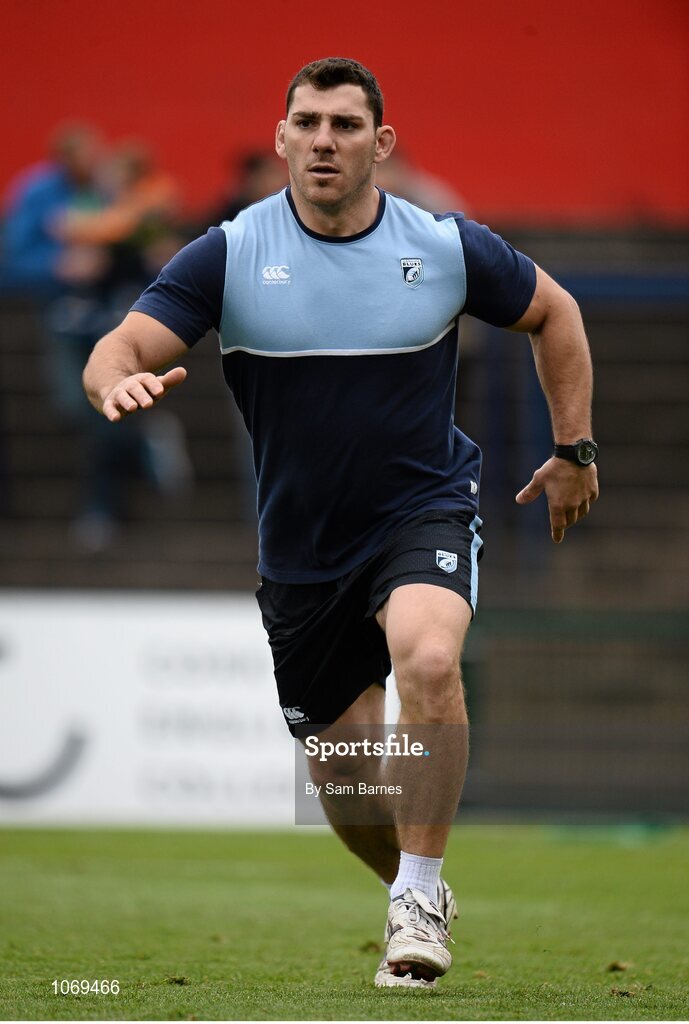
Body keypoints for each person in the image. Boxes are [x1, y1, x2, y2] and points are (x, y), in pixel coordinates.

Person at [82, 57, 599, 988]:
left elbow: (553, 312)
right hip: (301, 551)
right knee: (345, 774)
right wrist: (116, 377)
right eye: (308, 123)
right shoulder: (230, 253)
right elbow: (117, 344)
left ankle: (420, 891)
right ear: (281, 139)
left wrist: (574, 451)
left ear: (380, 144)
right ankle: (411, 882)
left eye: (346, 126)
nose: (325, 141)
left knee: (430, 660)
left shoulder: (443, 245)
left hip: (421, 508)